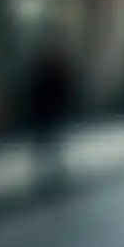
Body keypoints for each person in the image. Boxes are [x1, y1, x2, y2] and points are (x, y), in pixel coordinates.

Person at [28, 41, 74, 194]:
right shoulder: (52, 73)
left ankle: (50, 171)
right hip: (47, 113)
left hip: (49, 113)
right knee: (48, 142)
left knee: (50, 142)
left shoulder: (51, 73)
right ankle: (49, 171)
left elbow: (61, 94)